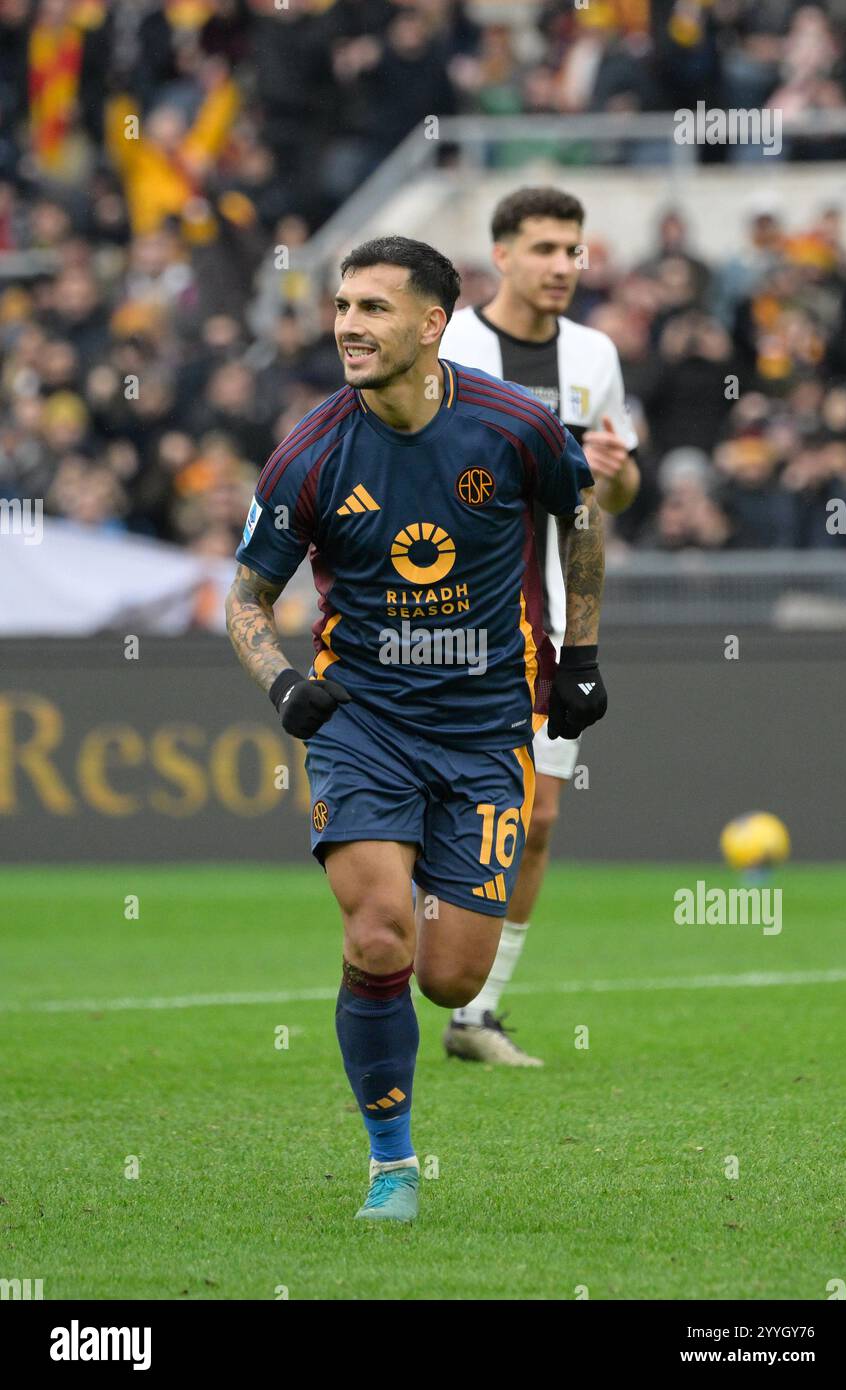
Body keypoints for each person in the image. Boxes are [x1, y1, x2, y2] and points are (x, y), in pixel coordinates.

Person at [225, 235, 608, 1222]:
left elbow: (585, 512)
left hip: (485, 734)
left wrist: (582, 655)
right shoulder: (310, 452)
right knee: (382, 934)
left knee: (449, 977)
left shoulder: (513, 428)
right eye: (342, 306)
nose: (348, 324)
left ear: (432, 324)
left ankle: (416, 1032)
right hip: (365, 728)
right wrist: (281, 689)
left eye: (372, 308)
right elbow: (245, 603)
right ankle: (390, 1164)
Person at [439, 186, 639, 1065]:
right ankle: (407, 954)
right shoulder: (452, 345)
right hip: (450, 611)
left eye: (574, 250)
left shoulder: (594, 353)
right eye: (547, 248)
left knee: (539, 816)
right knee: (443, 803)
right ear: (503, 255)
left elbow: (615, 494)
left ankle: (473, 1013)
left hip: (551, 617)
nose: (564, 265)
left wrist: (608, 468)